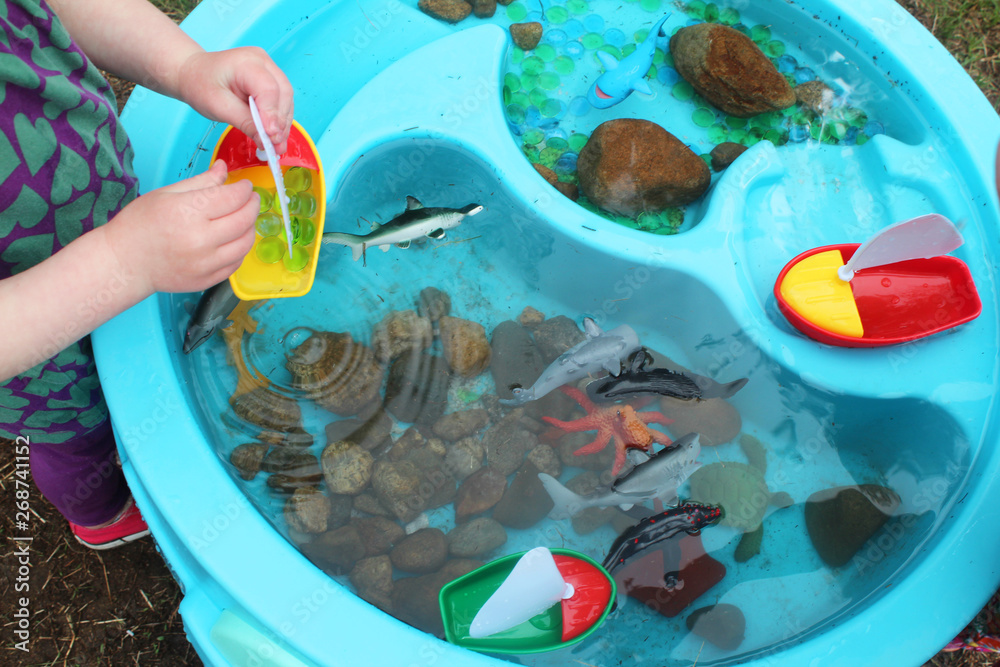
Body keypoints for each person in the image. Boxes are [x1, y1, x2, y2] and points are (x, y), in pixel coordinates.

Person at [0, 0, 293, 548]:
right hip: (42, 370)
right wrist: (122, 260)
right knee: (77, 440)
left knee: (128, 368)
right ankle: (101, 515)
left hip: (110, 221)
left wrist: (187, 67)